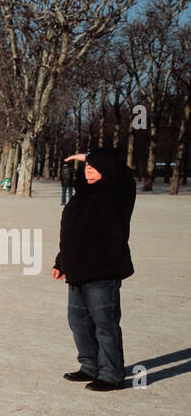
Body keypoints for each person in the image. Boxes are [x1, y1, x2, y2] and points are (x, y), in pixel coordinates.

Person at [52, 147, 136, 392]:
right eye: (86, 166)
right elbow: (71, 232)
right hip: (78, 269)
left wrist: (85, 156)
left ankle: (112, 374)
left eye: (94, 165)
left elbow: (119, 171)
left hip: (103, 270)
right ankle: (90, 366)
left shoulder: (118, 192)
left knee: (105, 323)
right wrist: (61, 261)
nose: (87, 168)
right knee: (78, 321)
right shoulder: (83, 196)